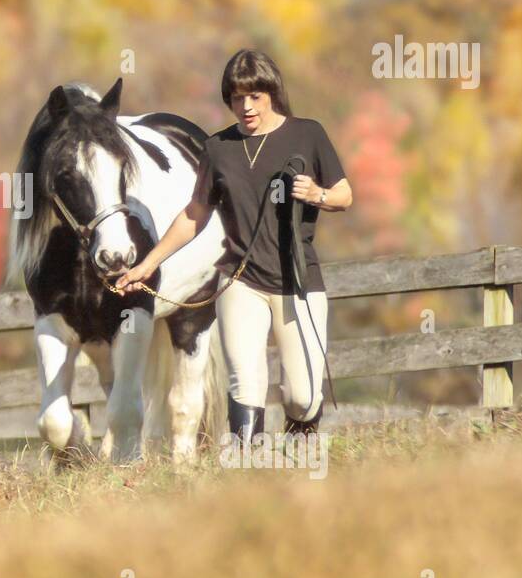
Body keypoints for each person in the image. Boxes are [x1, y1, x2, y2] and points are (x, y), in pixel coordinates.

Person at [115, 49, 353, 439]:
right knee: (245, 384)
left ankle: (298, 451)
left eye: (254, 97)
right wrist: (147, 265)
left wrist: (317, 194)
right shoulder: (218, 148)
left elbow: (344, 195)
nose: (245, 106)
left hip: (298, 281)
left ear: (272, 92)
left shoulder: (308, 134)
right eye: (237, 98)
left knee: (303, 397)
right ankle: (247, 471)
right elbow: (194, 214)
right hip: (240, 281)